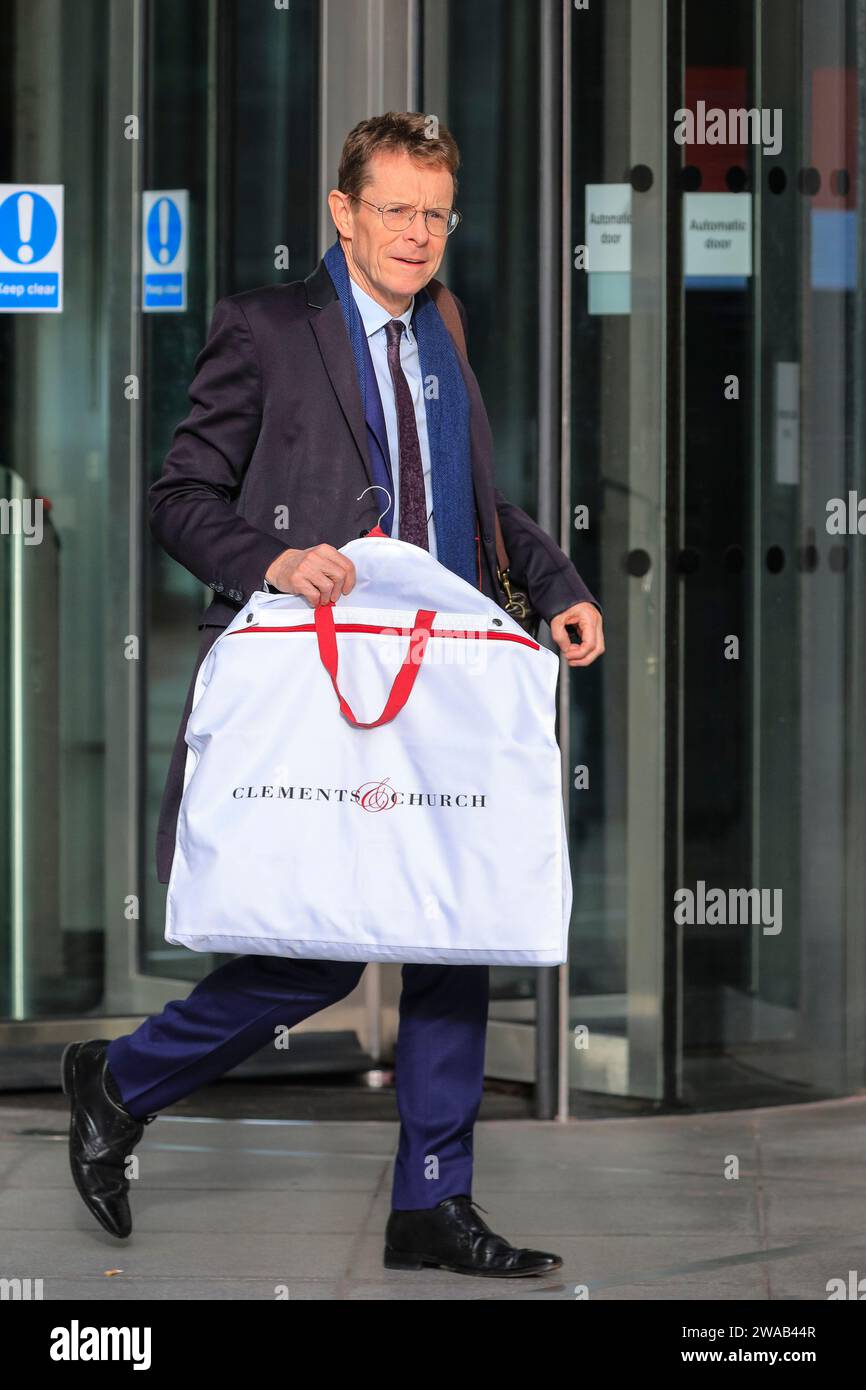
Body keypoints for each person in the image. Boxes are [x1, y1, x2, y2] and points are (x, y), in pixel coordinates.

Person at [63, 111, 604, 1278]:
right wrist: (268, 559)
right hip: (319, 678)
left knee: (453, 931)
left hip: (437, 679)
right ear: (341, 213)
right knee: (314, 950)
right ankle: (119, 1078)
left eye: (435, 214)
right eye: (395, 210)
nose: (417, 235)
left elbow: (474, 502)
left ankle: (431, 1198)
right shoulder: (265, 328)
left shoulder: (444, 326)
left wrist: (553, 583)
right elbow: (178, 494)